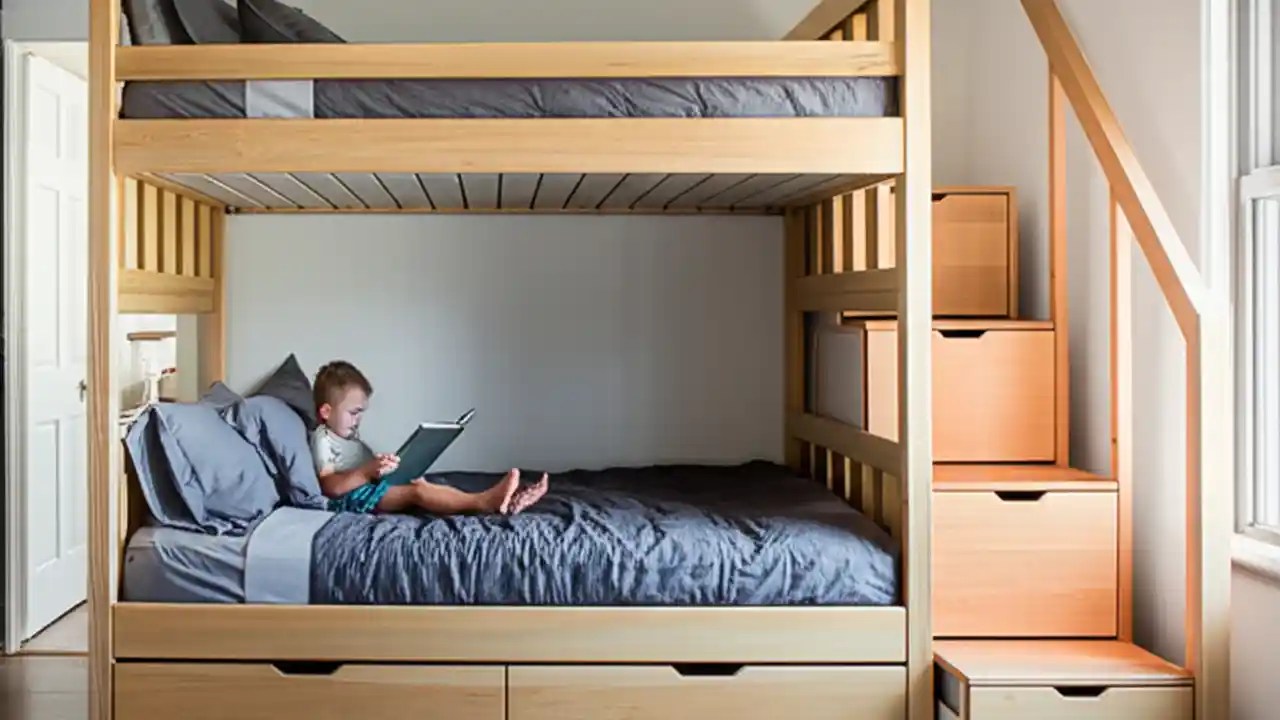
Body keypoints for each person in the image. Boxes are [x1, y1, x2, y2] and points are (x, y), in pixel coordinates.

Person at [309, 360, 548, 515]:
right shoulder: (323, 439)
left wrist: (383, 466)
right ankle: (486, 502)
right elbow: (331, 486)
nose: (358, 420)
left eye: (361, 413)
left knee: (421, 484)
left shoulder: (352, 441)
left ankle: (510, 501)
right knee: (417, 493)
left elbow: (367, 472)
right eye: (353, 413)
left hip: (369, 490)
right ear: (326, 411)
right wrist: (366, 472)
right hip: (351, 500)